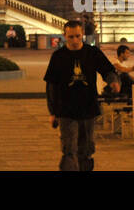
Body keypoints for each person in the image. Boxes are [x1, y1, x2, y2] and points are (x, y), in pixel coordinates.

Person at [45, 20, 121, 171]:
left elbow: (107, 70)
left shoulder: (92, 53)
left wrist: (113, 82)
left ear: (83, 35)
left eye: (78, 36)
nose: (74, 40)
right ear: (64, 35)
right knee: (69, 148)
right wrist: (52, 112)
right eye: (71, 37)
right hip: (66, 110)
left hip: (88, 108)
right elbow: (51, 86)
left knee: (86, 149)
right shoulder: (58, 56)